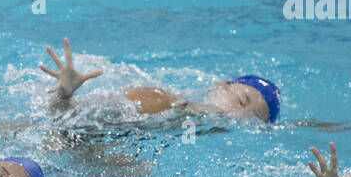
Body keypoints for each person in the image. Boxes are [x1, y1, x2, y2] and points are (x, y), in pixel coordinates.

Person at [39, 36, 280, 123]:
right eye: (241, 100)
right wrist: (65, 95)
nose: (241, 114)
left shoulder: (188, 123)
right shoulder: (161, 101)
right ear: (219, 86)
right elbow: (65, 121)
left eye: (254, 117)